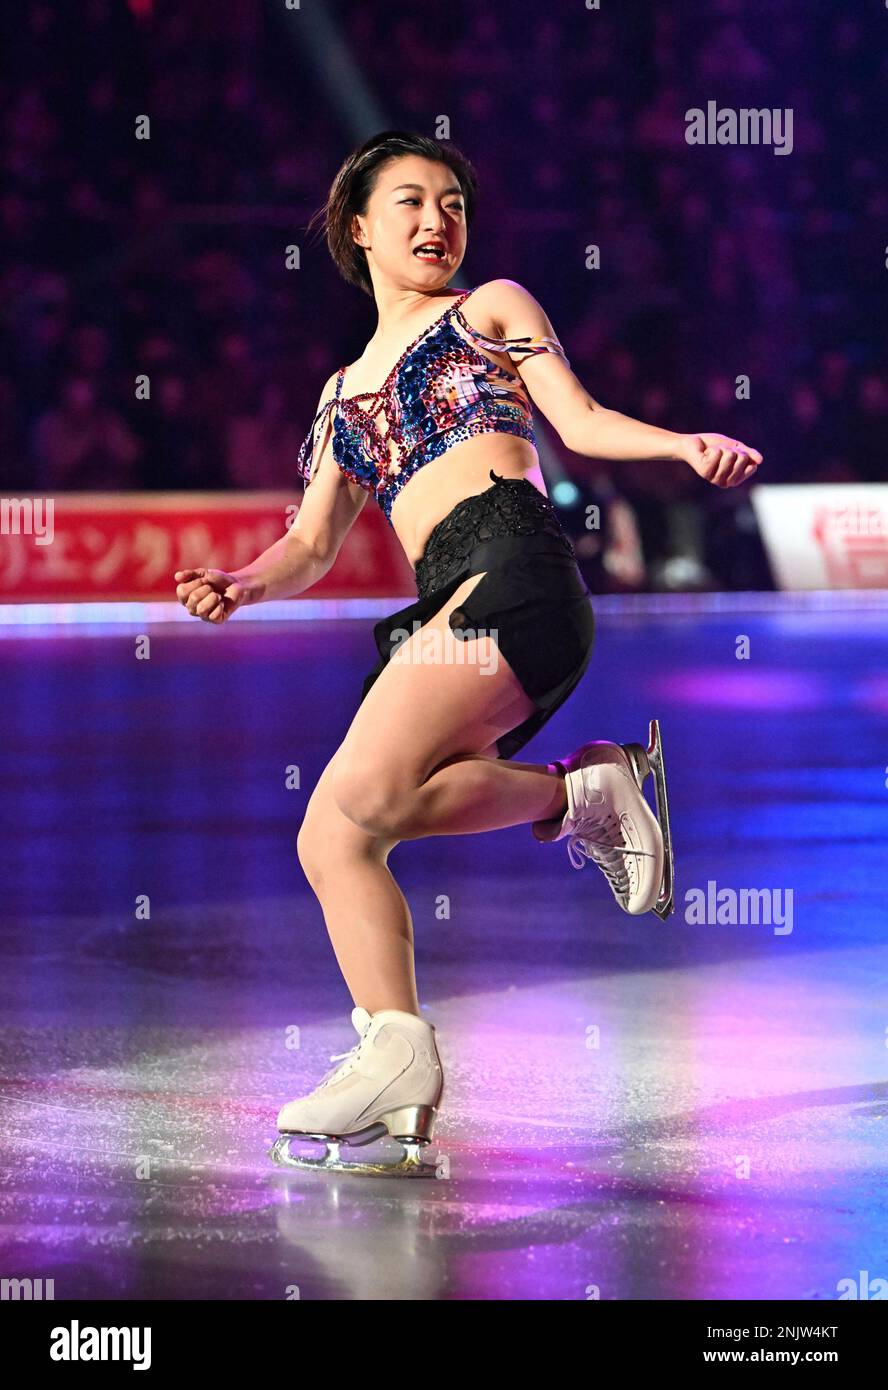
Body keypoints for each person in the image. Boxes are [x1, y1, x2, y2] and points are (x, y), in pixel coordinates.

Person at [174, 130, 762, 1175]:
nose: (437, 220)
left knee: (354, 804)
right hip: (454, 600)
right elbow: (312, 543)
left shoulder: (488, 311)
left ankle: (584, 796)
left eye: (451, 202)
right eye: (409, 202)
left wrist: (679, 443)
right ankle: (400, 1062)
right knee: (337, 833)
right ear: (358, 230)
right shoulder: (341, 393)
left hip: (517, 571)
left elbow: (578, 420)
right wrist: (244, 583)